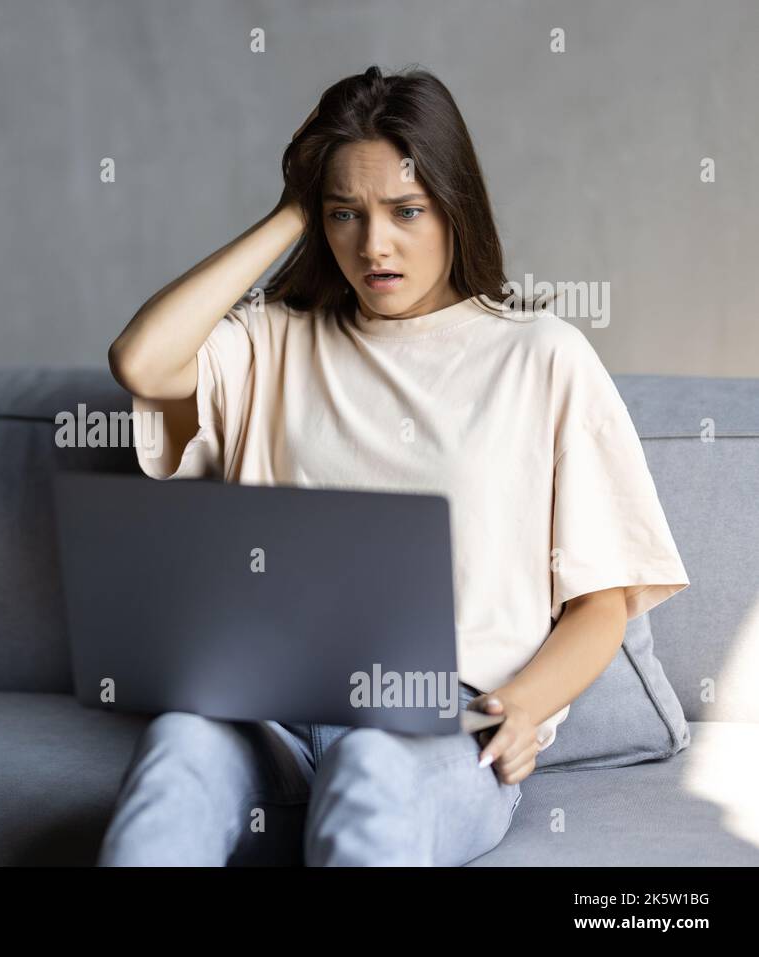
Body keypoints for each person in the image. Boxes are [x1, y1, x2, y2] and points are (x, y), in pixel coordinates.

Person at [100, 64, 690, 866]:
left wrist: (520, 706)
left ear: (454, 206)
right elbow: (140, 360)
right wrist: (290, 212)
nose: (373, 245)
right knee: (179, 747)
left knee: (372, 765)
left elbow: (603, 605)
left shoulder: (542, 357)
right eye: (345, 214)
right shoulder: (274, 340)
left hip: (436, 724)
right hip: (270, 712)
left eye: (406, 211)